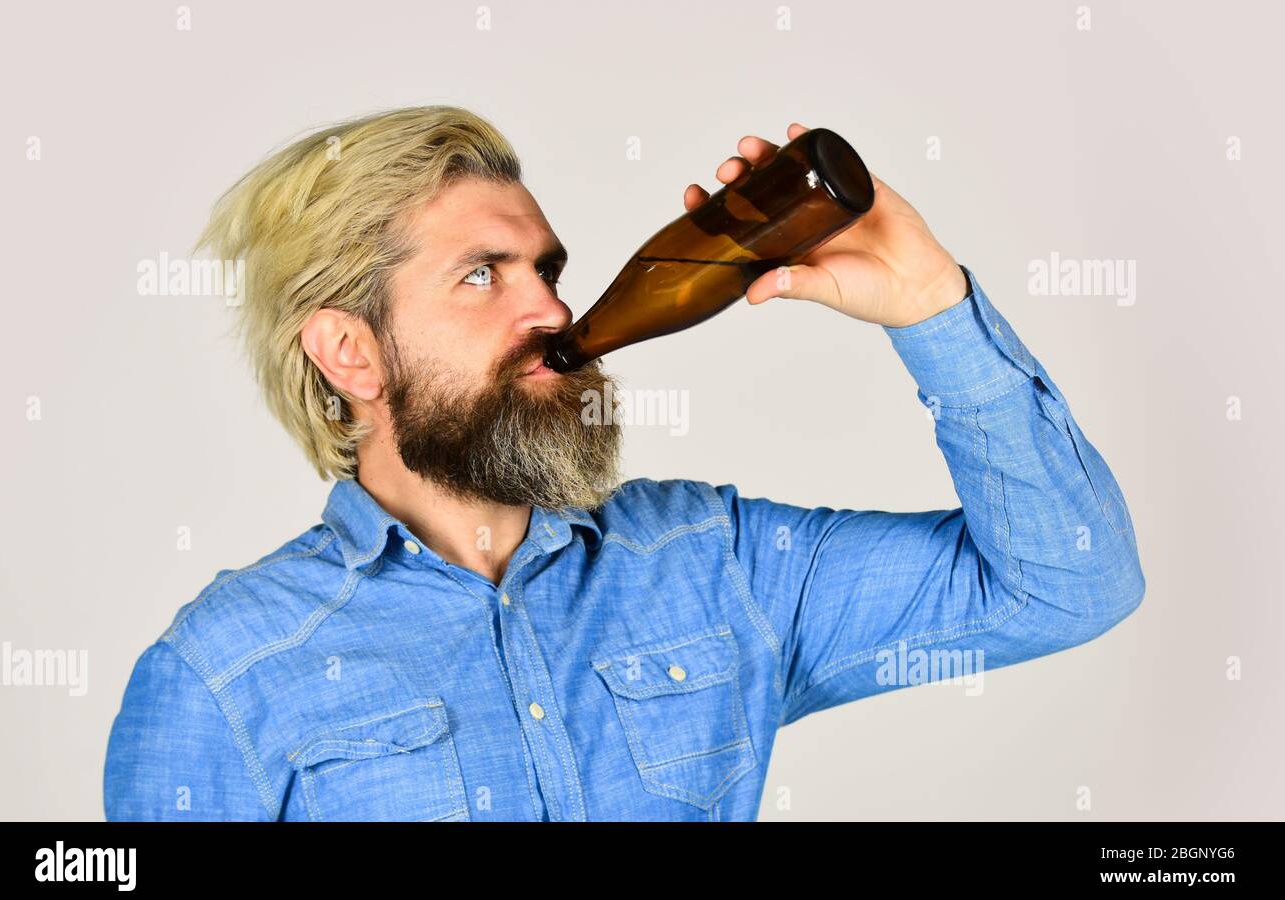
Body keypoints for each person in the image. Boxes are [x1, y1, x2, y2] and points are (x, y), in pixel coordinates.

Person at [103, 105, 1144, 821]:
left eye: (547, 270)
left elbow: (1065, 582)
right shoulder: (221, 677)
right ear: (350, 350)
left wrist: (930, 305)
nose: (552, 310)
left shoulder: (714, 562)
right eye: (481, 275)